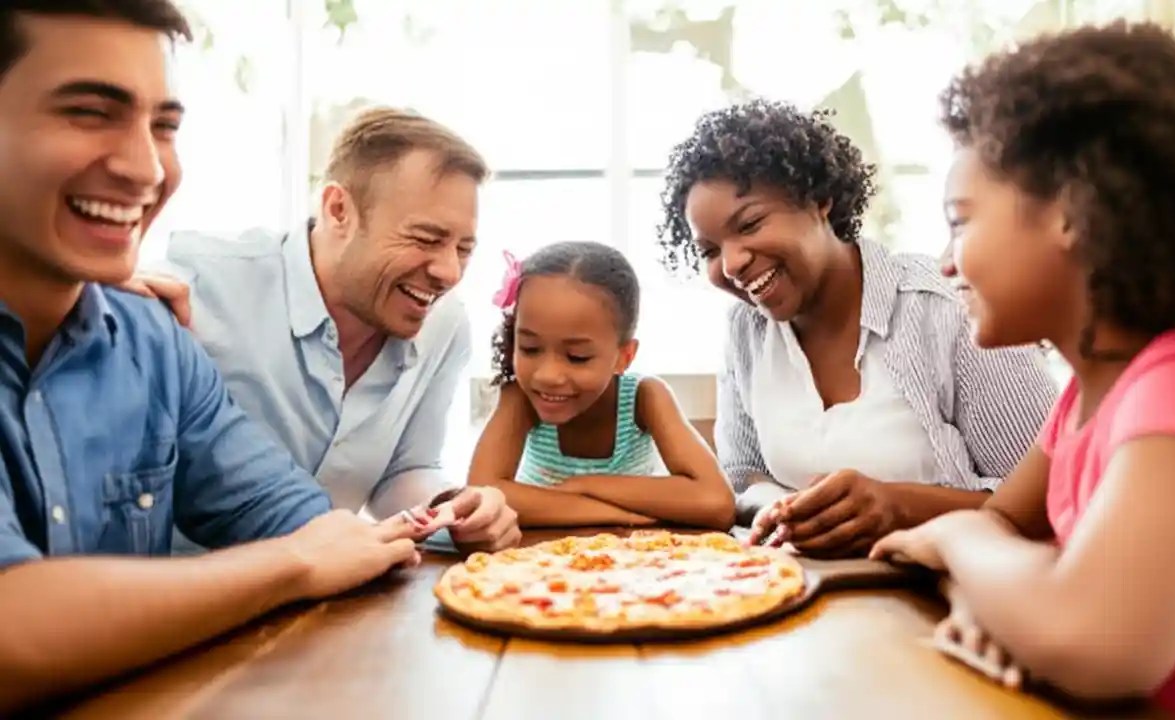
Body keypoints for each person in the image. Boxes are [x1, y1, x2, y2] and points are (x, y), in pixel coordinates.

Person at [0, 2, 442, 711]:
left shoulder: (156, 345)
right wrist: (298, 563)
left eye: (164, 127)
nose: (146, 168)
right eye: (88, 111)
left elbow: (304, 522)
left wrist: (424, 525)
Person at [870, 22, 1175, 718]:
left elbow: (1096, 641)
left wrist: (954, 538)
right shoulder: (1086, 402)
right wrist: (994, 599)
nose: (944, 263)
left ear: (1070, 211)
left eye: (960, 222)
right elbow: (1006, 522)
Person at [655, 99, 1058, 556]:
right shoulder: (747, 328)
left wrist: (898, 505)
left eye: (750, 224)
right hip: (806, 592)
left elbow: (1055, 498)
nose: (731, 265)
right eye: (709, 251)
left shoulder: (948, 309)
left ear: (820, 200)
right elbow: (743, 471)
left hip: (950, 593)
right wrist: (781, 507)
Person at [124, 106, 520, 552]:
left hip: (332, 594)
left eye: (464, 248)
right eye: (426, 239)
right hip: (188, 597)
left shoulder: (444, 324)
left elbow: (403, 471)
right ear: (338, 210)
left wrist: (455, 508)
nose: (449, 272)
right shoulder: (197, 289)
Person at [467, 241, 735, 529]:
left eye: (577, 357)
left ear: (624, 356)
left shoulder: (644, 397)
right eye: (530, 348)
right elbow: (481, 494)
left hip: (636, 560)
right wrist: (616, 514)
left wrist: (584, 484)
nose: (548, 375)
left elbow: (716, 503)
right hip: (541, 560)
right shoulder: (519, 397)